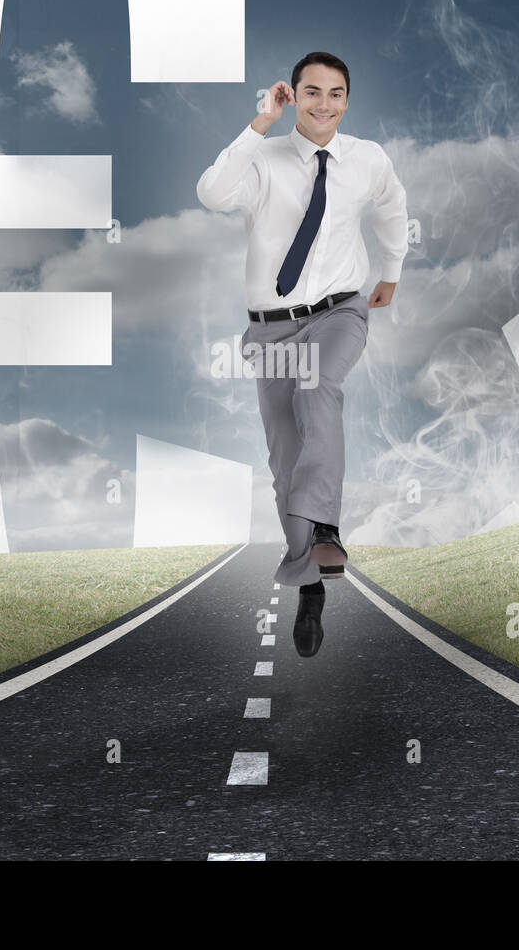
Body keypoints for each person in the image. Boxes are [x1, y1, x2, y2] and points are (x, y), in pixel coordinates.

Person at [196, 51, 409, 657]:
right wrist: (258, 124)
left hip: (339, 312)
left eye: (335, 93)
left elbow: (394, 209)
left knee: (321, 387)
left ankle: (328, 530)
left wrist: (390, 271)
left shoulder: (367, 159)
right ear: (293, 96)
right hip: (270, 330)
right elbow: (211, 193)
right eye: (311, 92)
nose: (323, 105)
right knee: (285, 456)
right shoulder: (261, 159)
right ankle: (308, 579)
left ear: (348, 99)